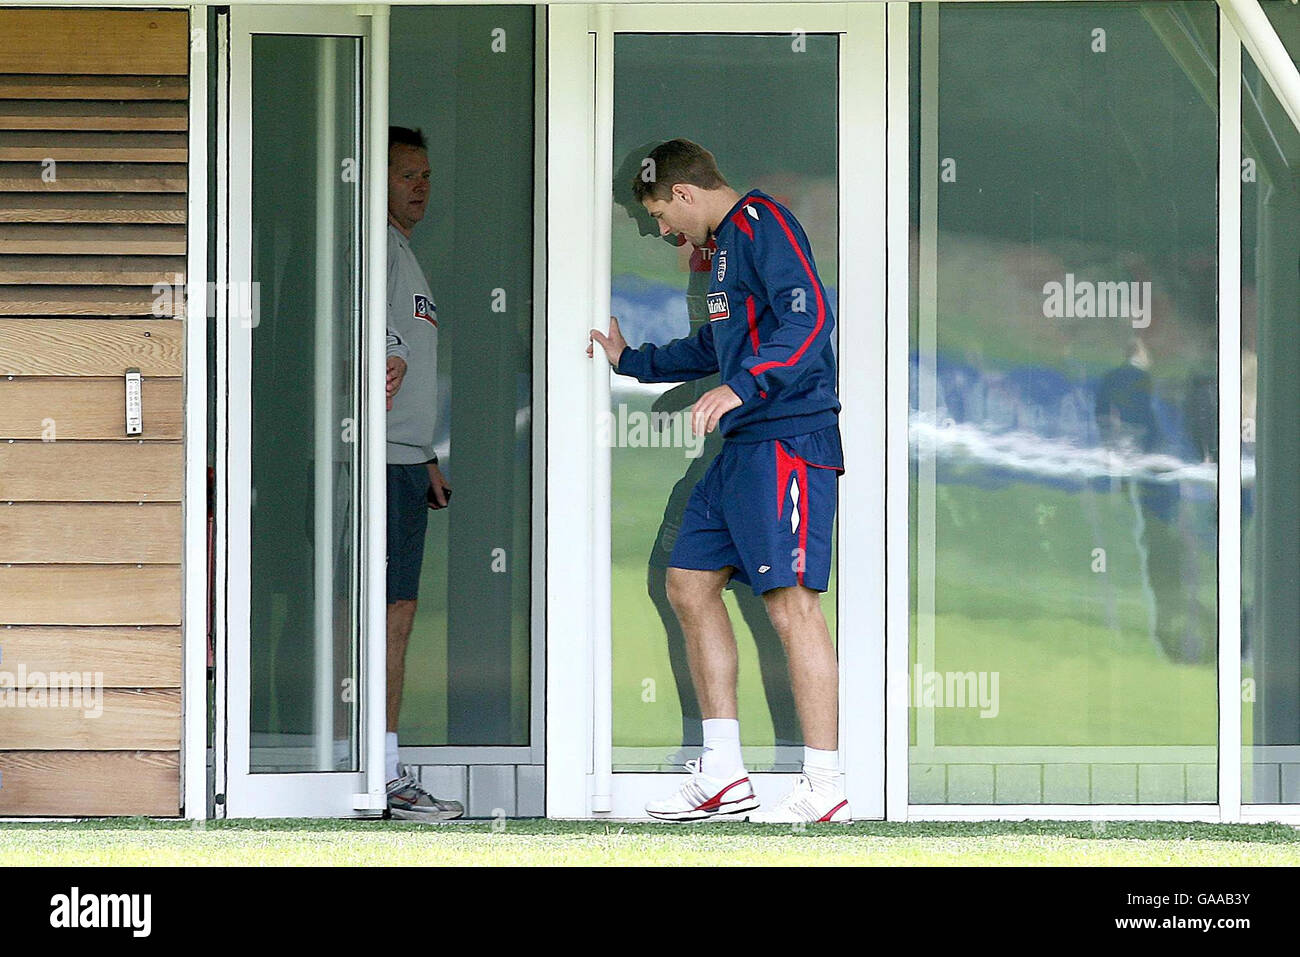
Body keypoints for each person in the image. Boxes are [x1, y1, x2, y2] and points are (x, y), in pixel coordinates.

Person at [589, 139, 850, 823]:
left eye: (657, 216)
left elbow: (810, 320)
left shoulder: (765, 224)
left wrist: (744, 386)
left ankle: (824, 783)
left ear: (682, 192)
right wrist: (633, 360)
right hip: (743, 447)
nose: (662, 231)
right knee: (688, 581)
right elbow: (718, 343)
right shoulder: (725, 247)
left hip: (789, 436)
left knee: (791, 604)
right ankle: (725, 774)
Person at [382, 126, 463, 821]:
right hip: (371, 462)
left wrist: (427, 450)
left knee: (395, 614)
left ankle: (377, 767)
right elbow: (352, 316)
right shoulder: (368, 242)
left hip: (406, 460)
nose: (420, 186)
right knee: (380, 616)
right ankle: (374, 772)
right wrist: (383, 350)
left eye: (426, 175)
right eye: (408, 173)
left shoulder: (404, 254)